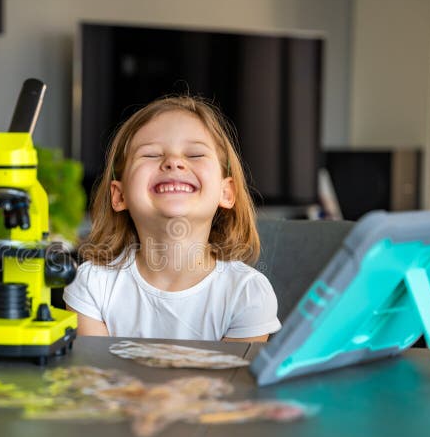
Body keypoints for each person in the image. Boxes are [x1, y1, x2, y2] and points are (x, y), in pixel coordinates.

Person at [64, 95, 281, 342]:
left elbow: (232, 381)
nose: (174, 162)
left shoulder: (247, 294)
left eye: (196, 155)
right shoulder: (92, 284)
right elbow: (98, 378)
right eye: (151, 155)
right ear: (119, 195)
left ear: (226, 192)